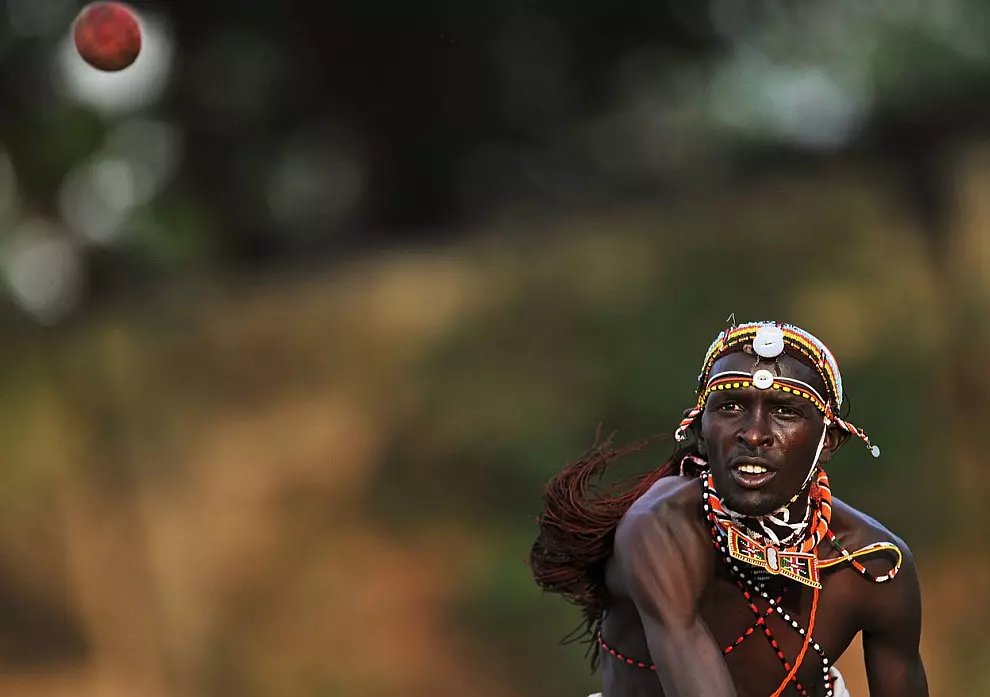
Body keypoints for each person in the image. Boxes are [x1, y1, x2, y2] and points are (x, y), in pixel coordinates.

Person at [529, 321, 928, 697]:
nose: (753, 434)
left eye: (784, 411)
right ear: (701, 433)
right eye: (730, 408)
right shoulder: (662, 528)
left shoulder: (874, 563)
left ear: (827, 442)